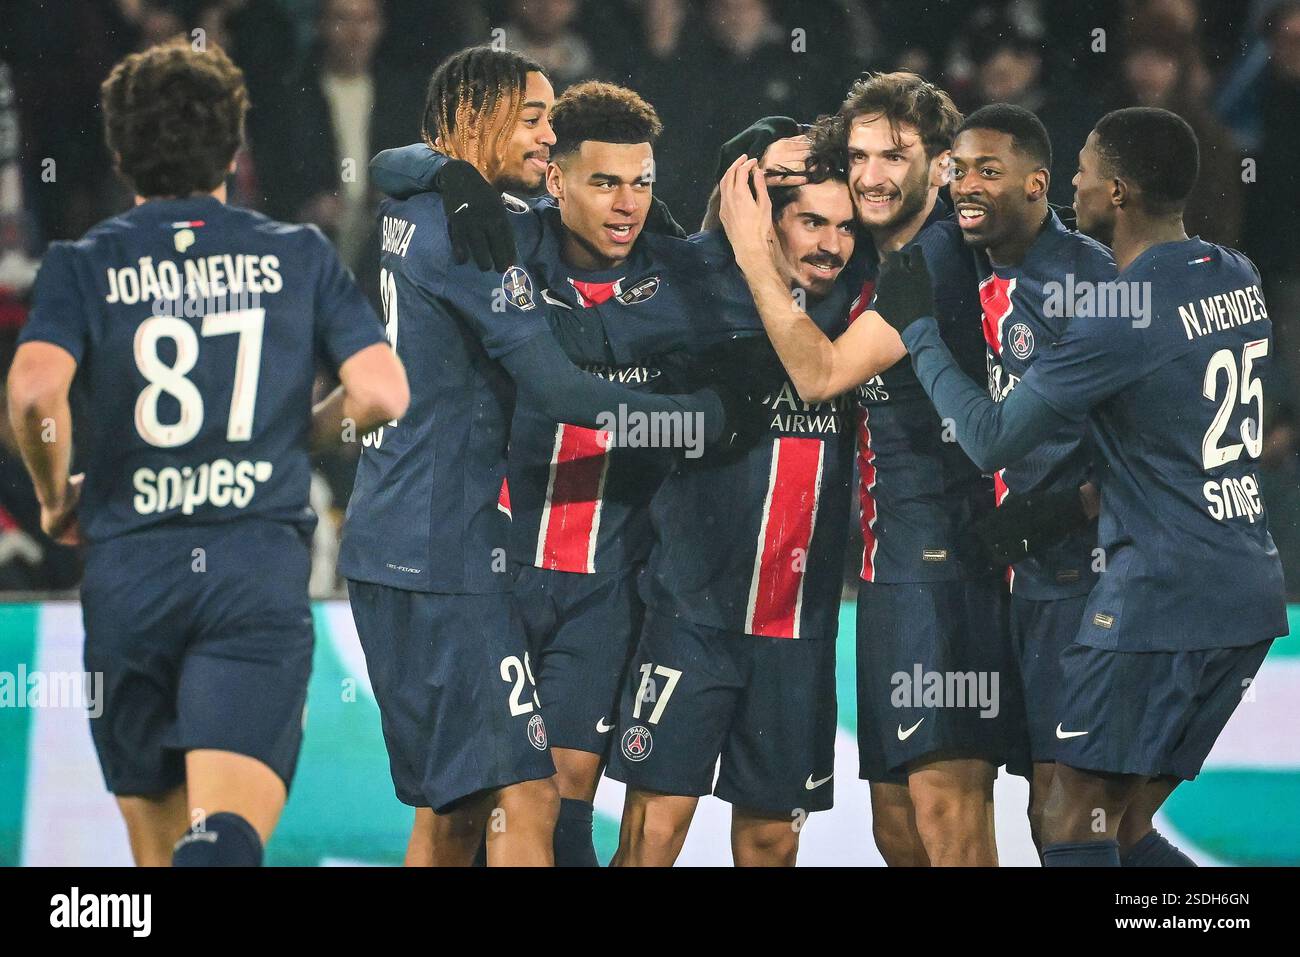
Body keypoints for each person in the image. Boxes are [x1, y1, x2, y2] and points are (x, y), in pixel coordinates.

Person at [6, 38, 408, 866]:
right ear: (235, 146)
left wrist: (53, 497)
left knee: (158, 860)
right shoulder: (296, 253)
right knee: (221, 839)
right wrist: (294, 434)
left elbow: (34, 391)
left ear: (120, 151)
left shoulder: (84, 263)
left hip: (128, 574)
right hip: (249, 566)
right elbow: (382, 393)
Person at [338, 48, 734, 867]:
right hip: (449, 553)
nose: (550, 133)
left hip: (418, 544)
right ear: (477, 119)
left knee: (461, 809)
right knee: (517, 797)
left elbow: (390, 164)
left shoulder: (420, 205)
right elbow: (561, 394)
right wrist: (696, 420)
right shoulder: (481, 236)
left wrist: (442, 171)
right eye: (532, 117)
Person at [874, 106, 1288, 867]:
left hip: (1161, 592)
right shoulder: (1234, 272)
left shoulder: (1119, 312)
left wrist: (920, 331)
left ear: (1119, 193)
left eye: (1087, 171)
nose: (1075, 183)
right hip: (1248, 587)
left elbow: (994, 436)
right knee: (1119, 825)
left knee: (1071, 818)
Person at [719, 72, 1015, 867]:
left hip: (945, 567)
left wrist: (753, 256)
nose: (873, 174)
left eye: (896, 154)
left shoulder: (939, 259)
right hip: (891, 577)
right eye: (858, 156)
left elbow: (818, 375)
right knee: (898, 828)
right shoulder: (881, 260)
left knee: (947, 819)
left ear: (943, 163)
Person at [604, 148, 860, 868]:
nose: (830, 244)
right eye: (811, 221)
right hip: (690, 615)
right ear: (764, 224)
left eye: (843, 227)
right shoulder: (700, 298)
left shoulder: (859, 310)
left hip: (798, 631)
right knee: (653, 834)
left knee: (772, 840)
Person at [945, 103, 1115, 854]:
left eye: (988, 170)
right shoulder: (954, 261)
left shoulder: (1091, 282)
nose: (966, 185)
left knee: (1068, 802)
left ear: (1039, 184)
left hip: (1075, 577)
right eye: (958, 170)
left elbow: (1150, 431)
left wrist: (1065, 512)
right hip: (993, 577)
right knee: (1028, 800)